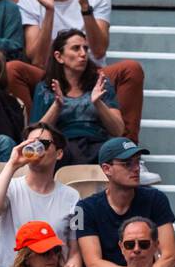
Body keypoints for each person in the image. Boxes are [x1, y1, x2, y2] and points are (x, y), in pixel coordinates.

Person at [11, 0, 144, 144]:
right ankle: (34, 140)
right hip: (50, 74)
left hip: (93, 73)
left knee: (131, 69)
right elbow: (37, 59)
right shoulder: (29, 0)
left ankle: (126, 151)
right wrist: (49, 10)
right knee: (12, 70)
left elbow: (98, 50)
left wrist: (84, 7)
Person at [0, 123, 82, 267]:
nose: (36, 147)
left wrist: (73, 266)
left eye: (44, 143)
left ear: (59, 153)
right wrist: (12, 164)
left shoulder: (73, 196)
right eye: (30, 143)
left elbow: (74, 250)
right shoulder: (11, 187)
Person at [32, 28, 123, 165]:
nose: (83, 54)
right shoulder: (45, 88)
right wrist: (57, 106)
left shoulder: (100, 83)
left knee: (119, 147)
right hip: (63, 146)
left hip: (98, 144)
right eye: (76, 48)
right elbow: (37, 135)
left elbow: (118, 130)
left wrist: (98, 103)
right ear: (59, 56)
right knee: (62, 151)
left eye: (85, 49)